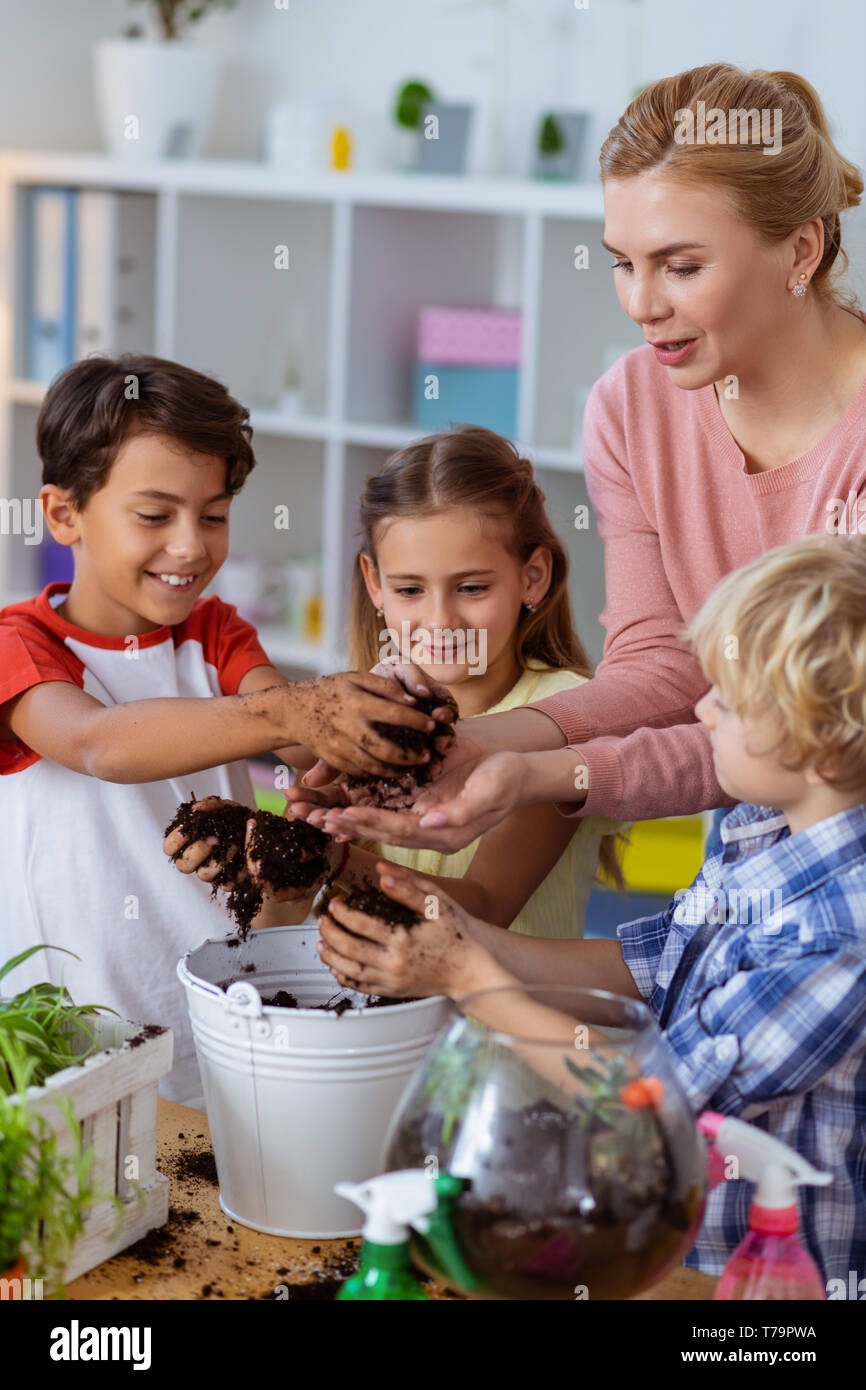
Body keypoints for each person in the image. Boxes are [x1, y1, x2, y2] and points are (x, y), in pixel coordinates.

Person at [302, 62, 866, 858]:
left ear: (800, 249)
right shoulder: (632, 408)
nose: (640, 303)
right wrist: (467, 746)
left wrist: (541, 773)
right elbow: (664, 670)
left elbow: (807, 733)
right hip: (759, 853)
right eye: (622, 262)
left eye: (681, 266)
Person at [315, 535, 866, 1284]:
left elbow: (653, 1103)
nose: (701, 711)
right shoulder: (762, 828)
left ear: (827, 749)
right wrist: (462, 938)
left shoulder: (839, 937)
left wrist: (472, 982)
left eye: (731, 701)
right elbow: (651, 966)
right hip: (667, 1242)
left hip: (751, 1275)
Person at [0, 353, 445, 1104]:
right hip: (67, 1039)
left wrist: (386, 711)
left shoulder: (213, 632)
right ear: (64, 512)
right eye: (154, 515)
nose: (191, 546)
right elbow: (98, 743)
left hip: (216, 1012)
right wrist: (292, 710)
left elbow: (303, 740)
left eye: (213, 515)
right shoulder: (21, 642)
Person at [191, 426, 629, 937]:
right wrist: (272, 854)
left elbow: (485, 908)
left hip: (505, 1016)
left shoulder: (565, 713)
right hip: (373, 1011)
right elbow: (284, 922)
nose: (440, 620)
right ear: (376, 584)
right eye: (410, 589)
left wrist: (331, 861)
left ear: (532, 576)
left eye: (471, 587)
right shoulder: (364, 709)